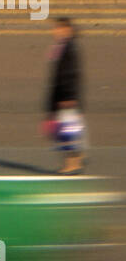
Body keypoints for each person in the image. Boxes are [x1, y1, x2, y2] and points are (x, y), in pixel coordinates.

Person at [44, 17, 84, 174]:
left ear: (67, 30)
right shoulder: (62, 46)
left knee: (67, 132)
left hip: (66, 98)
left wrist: (68, 96)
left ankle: (72, 164)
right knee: (66, 131)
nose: (55, 31)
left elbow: (71, 73)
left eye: (58, 28)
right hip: (62, 96)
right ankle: (75, 160)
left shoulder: (69, 47)